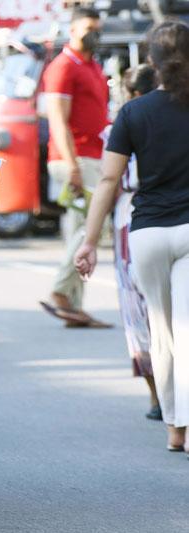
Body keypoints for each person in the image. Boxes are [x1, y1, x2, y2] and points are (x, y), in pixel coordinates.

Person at [74, 21, 189, 455]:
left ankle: (175, 428)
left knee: (163, 331)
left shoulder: (134, 112)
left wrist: (89, 241)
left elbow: (108, 180)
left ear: (152, 63)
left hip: (148, 233)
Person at [38, 7, 112, 328]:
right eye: (87, 28)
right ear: (72, 31)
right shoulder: (63, 66)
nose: (94, 34)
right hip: (76, 158)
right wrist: (72, 167)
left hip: (93, 156)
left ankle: (74, 306)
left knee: (80, 229)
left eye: (97, 28)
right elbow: (57, 120)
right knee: (89, 228)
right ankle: (60, 291)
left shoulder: (92, 65)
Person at [112, 65, 160, 420]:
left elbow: (109, 181)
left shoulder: (122, 123)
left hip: (130, 218)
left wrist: (89, 238)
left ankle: (158, 398)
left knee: (137, 311)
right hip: (169, 213)